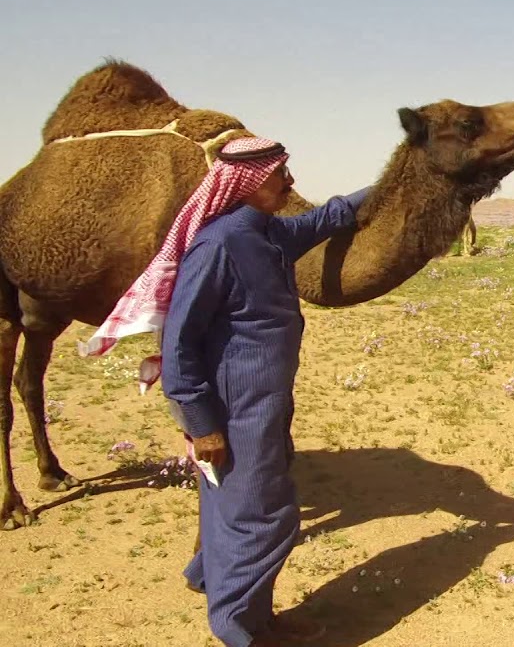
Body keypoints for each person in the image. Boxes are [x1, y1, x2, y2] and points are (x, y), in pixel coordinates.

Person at [88, 136, 371, 645]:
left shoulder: (264, 232)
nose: (290, 182)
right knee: (264, 516)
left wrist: (396, 184)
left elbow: (323, 220)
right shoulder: (220, 245)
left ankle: (241, 605)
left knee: (233, 509)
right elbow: (178, 345)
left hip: (262, 405)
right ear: (246, 184)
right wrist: (202, 426)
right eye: (280, 175)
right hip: (236, 411)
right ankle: (241, 629)